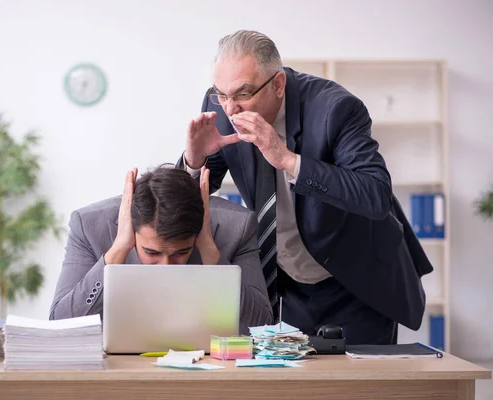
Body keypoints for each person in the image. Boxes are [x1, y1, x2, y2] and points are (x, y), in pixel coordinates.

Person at [177, 30, 433, 345]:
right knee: (294, 386)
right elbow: (190, 197)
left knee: (358, 390)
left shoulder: (335, 109)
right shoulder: (220, 106)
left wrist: (287, 160)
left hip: (355, 282)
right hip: (287, 286)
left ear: (278, 85)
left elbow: (375, 194)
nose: (230, 110)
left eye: (242, 94)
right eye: (222, 94)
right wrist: (193, 159)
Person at [49, 165, 273, 334]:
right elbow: (60, 325)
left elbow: (262, 326)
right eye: (152, 253)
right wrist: (117, 252)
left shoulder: (237, 227)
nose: (165, 267)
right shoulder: (89, 226)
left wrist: (213, 259)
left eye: (180, 252)